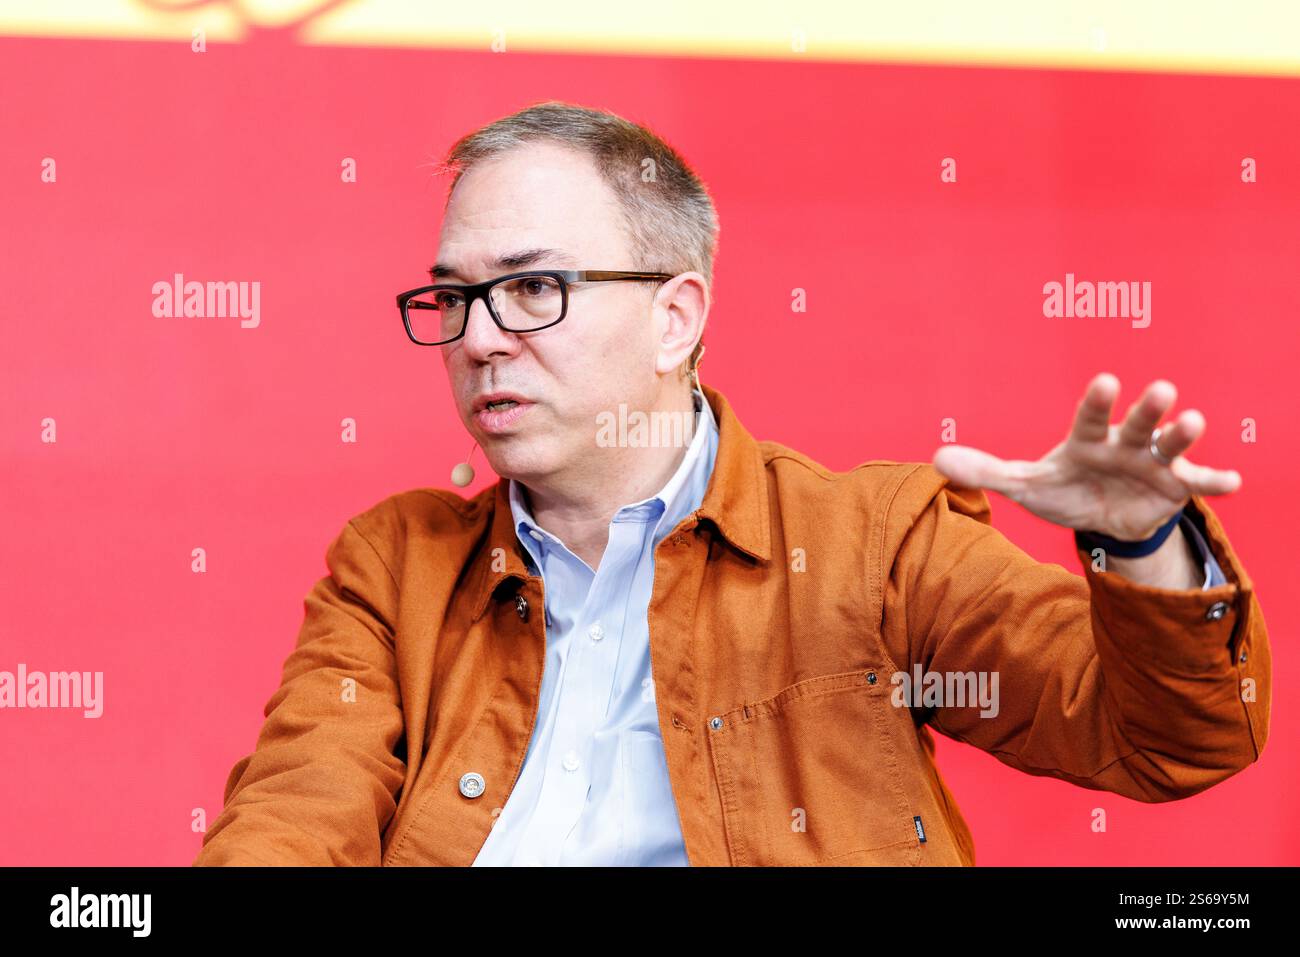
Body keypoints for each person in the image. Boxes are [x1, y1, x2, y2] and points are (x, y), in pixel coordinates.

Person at [194, 101, 1270, 867]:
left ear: (675, 317)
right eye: (454, 297)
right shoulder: (398, 565)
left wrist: (1142, 546)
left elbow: (1178, 737)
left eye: (530, 289)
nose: (479, 339)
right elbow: (297, 814)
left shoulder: (871, 542)